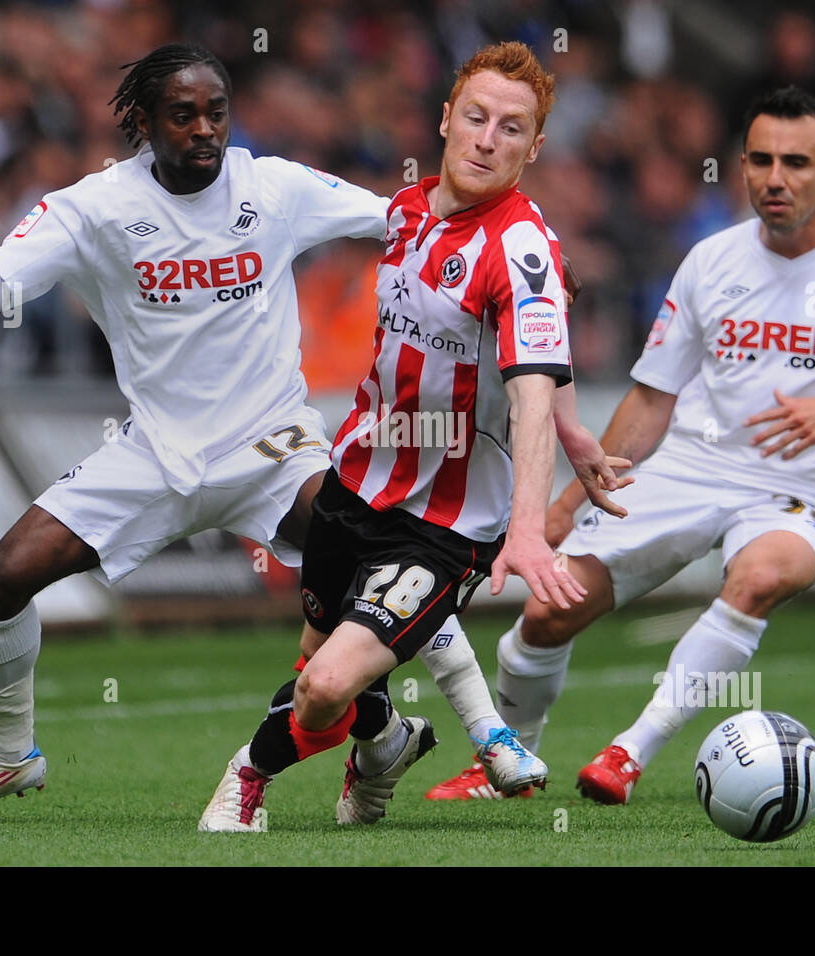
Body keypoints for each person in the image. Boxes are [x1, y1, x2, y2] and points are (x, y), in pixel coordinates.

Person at [0, 42, 617, 824]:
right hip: (156, 452)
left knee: (386, 551)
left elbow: (403, 219)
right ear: (144, 123)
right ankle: (12, 756)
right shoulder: (94, 208)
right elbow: (1, 279)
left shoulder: (273, 187)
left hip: (272, 449)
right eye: (183, 116)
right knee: (3, 577)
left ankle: (485, 729)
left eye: (217, 112)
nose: (205, 130)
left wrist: (539, 286)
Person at [425, 86, 815, 804]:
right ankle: (507, 764)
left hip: (796, 487)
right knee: (550, 610)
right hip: (691, 463)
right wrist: (572, 501)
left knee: (757, 578)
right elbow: (653, 397)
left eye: (797, 162)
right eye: (760, 159)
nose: (775, 177)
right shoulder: (712, 261)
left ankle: (629, 754)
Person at [198, 41, 627, 832]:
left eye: (511, 128)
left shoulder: (523, 252)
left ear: (533, 150)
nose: (487, 138)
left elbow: (532, 386)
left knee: (324, 687)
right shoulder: (402, 213)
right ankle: (386, 750)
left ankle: (245, 777)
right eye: (476, 117)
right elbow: (533, 371)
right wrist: (580, 435)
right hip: (355, 480)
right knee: (322, 672)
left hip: (444, 526)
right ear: (445, 119)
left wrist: (527, 529)